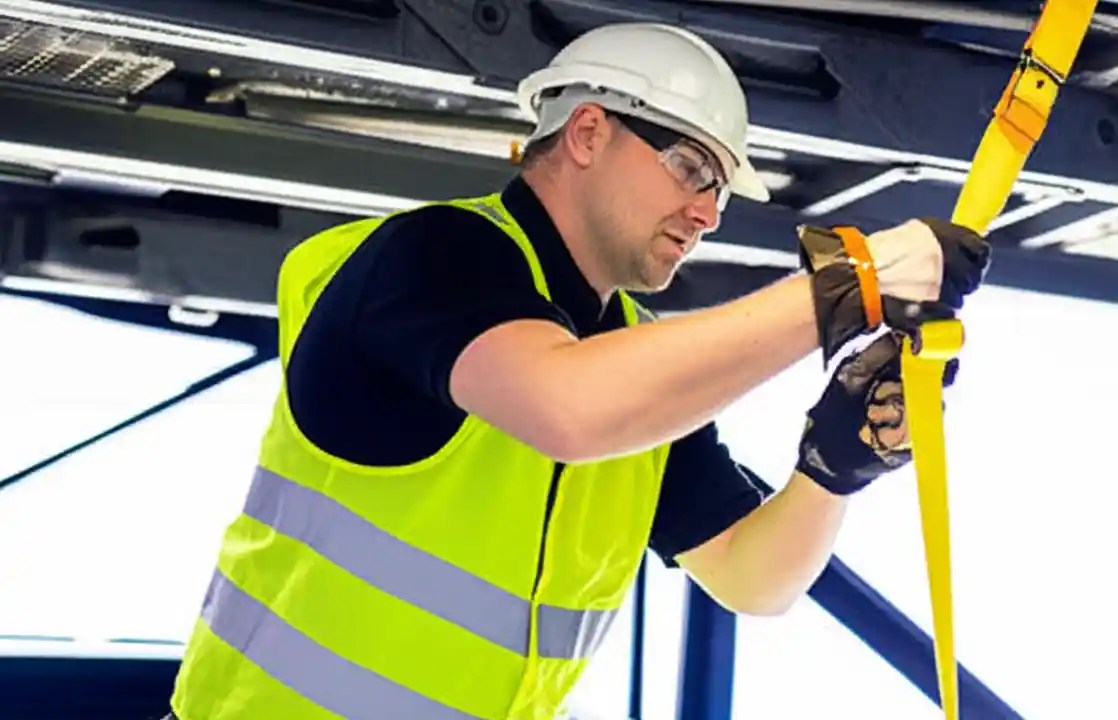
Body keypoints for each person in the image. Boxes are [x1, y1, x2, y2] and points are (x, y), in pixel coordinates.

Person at [164, 21, 989, 720]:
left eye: (720, 193)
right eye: (691, 169)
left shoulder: (636, 366)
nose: (707, 212)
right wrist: (845, 289)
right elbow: (565, 405)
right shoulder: (435, 256)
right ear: (589, 132)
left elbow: (753, 577)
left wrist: (835, 464)